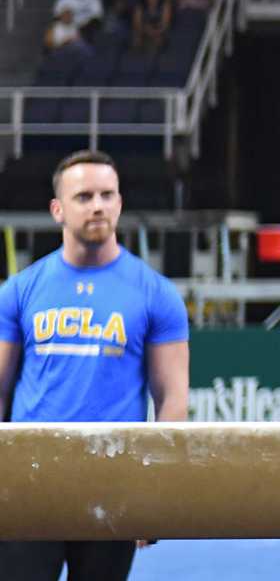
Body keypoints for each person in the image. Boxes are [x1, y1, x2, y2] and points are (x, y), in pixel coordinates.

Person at [0, 150, 189, 580]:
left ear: (120, 203)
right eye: (84, 196)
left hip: (111, 478)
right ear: (58, 209)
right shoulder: (20, 291)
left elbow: (172, 398)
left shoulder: (155, 294)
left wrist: (153, 491)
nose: (98, 205)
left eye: (107, 195)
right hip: (32, 477)